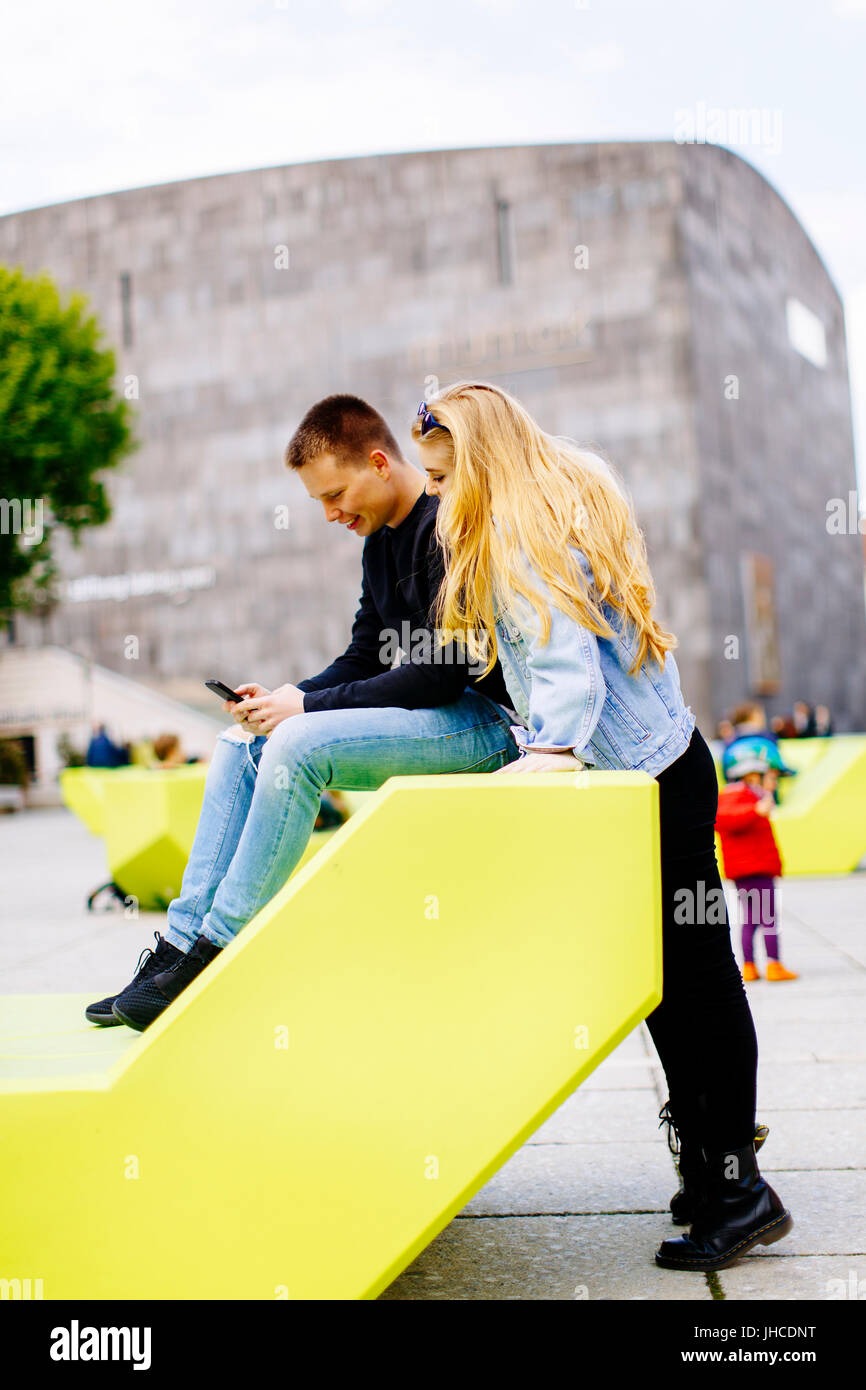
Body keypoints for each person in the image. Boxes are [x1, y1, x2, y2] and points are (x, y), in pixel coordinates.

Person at [410, 379, 792, 1273]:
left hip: (645, 778)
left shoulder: (518, 528)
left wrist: (550, 750)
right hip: (667, 761)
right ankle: (714, 1165)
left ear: (479, 464)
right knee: (677, 979)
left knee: (693, 981)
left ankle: (736, 1188)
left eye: (439, 478)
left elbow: (563, 655)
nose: (435, 498)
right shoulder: (572, 483)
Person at [85, 394, 522, 1032]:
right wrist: (281, 701)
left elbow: (442, 672)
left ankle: (216, 954)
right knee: (242, 746)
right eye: (319, 501)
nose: (329, 513)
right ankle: (177, 949)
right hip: (441, 713)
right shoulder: (379, 546)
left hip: (489, 724)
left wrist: (307, 709)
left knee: (300, 746)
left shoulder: (444, 525)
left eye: (334, 495)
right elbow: (365, 657)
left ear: (378, 463)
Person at [716, 739, 798, 982]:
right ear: (751, 775)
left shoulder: (749, 796)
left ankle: (751, 966)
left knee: (752, 919)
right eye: (769, 777)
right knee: (768, 917)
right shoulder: (738, 796)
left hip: (752, 869)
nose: (773, 782)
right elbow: (723, 821)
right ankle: (773, 964)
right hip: (754, 870)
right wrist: (755, 811)